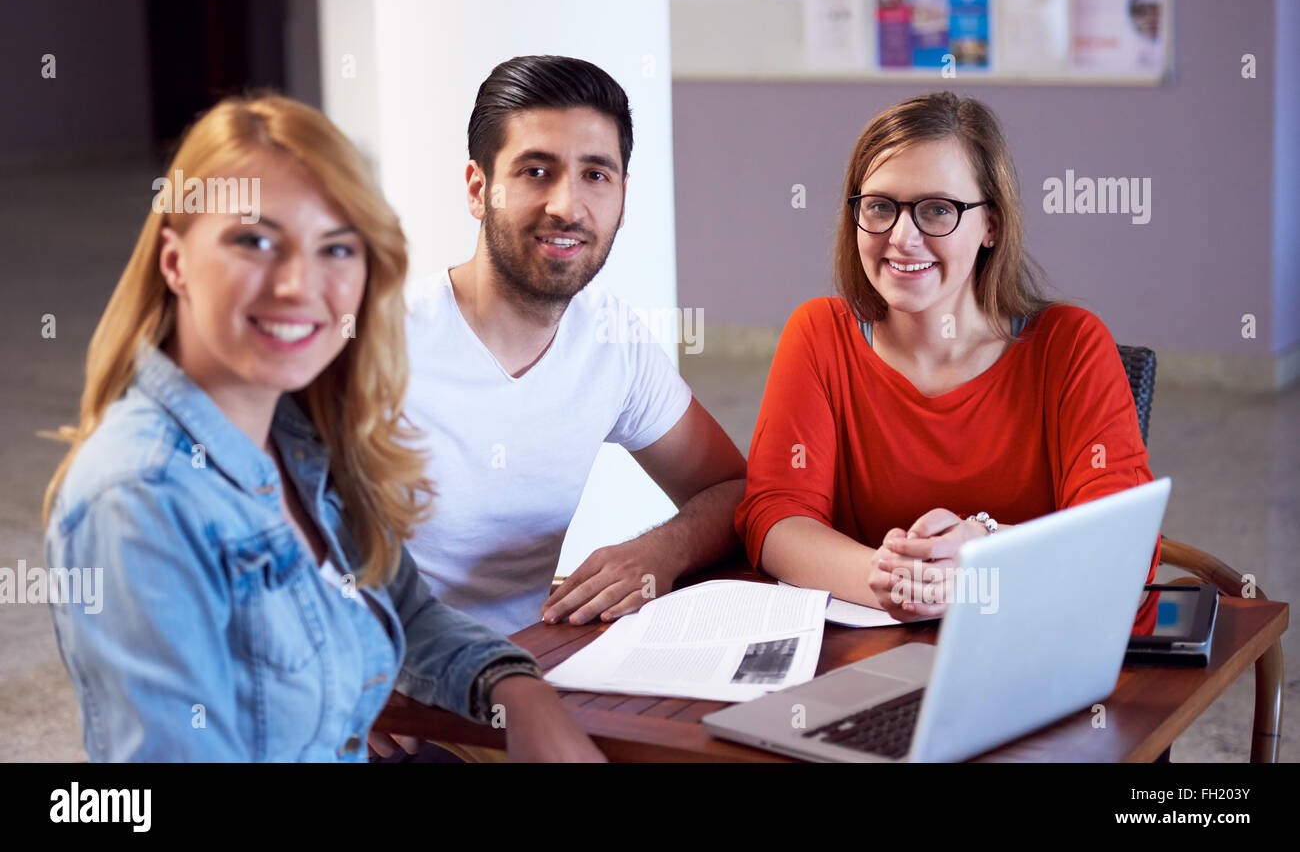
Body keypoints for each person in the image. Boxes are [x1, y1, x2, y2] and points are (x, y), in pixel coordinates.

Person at [42, 93, 604, 761]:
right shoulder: (139, 499)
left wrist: (514, 687)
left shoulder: (297, 430)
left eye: (336, 248)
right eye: (254, 240)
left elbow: (404, 606)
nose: (297, 285)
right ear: (175, 261)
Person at [734, 92, 1161, 623]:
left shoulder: (1070, 345)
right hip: (865, 655)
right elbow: (777, 518)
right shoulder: (819, 335)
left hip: (1030, 646)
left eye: (938, 209)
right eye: (880, 206)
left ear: (992, 226)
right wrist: (893, 582)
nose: (902, 237)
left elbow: (1122, 543)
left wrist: (983, 550)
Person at [403, 55, 747, 636]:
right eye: (536, 171)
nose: (567, 205)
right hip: (375, 700)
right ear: (478, 188)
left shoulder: (613, 341)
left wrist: (661, 552)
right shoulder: (376, 342)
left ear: (622, 194)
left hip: (520, 679)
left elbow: (735, 491)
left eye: (595, 174)